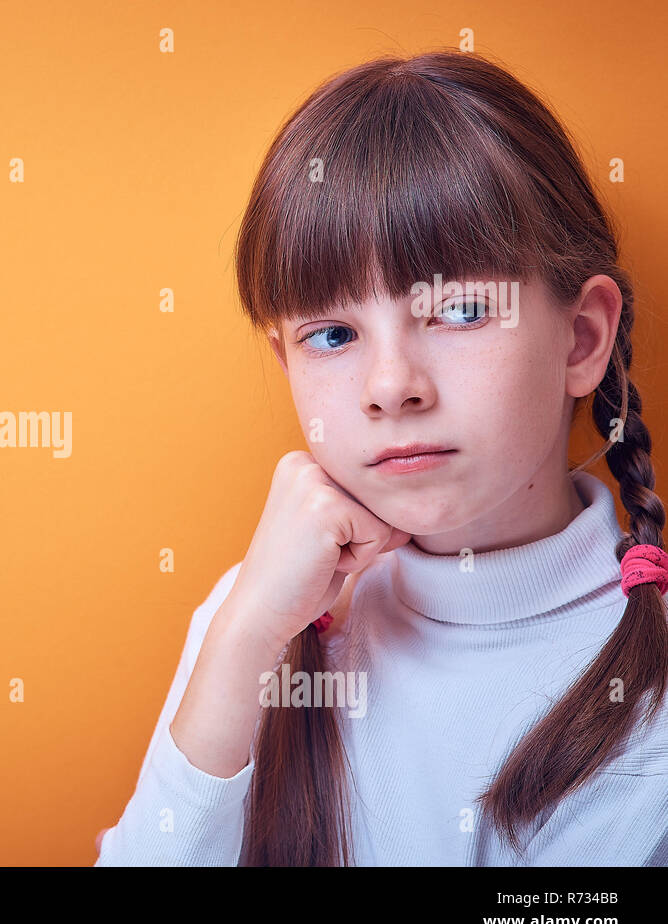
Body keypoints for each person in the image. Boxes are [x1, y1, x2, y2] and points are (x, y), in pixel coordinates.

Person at [95, 48, 668, 866]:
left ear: (581, 338)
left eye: (461, 312)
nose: (390, 386)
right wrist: (241, 639)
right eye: (332, 335)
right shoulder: (255, 617)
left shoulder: (646, 690)